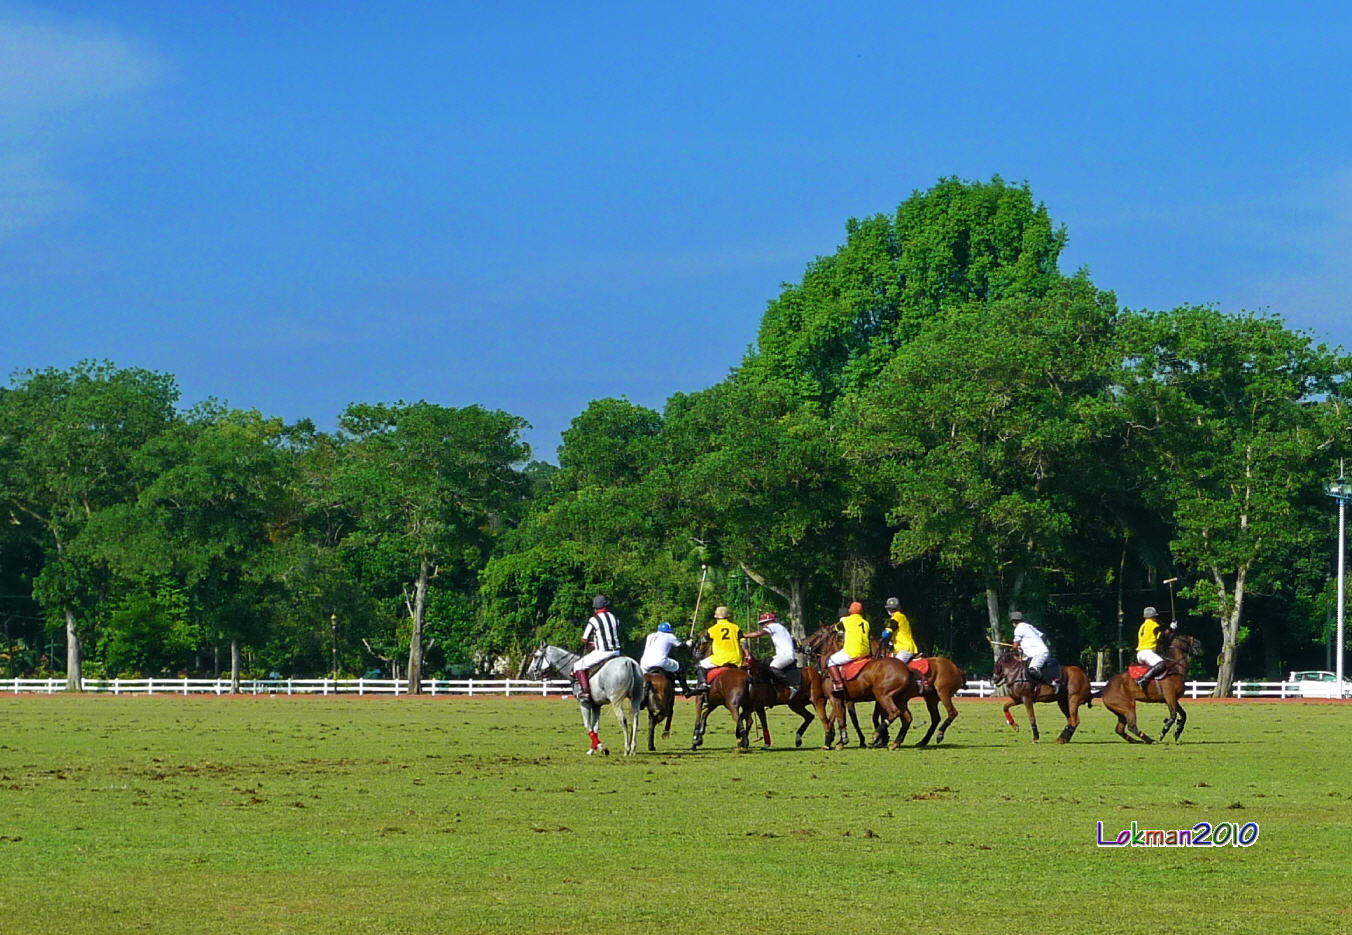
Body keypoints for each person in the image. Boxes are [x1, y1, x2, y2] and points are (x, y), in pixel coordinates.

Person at [573, 595, 622, 702]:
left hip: (603, 652)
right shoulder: (614, 618)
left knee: (577, 665)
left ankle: (585, 692)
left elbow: (584, 639)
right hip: (617, 651)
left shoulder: (594, 619)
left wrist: (588, 642)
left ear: (595, 607)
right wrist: (596, 643)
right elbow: (612, 636)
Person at [743, 611, 799, 688]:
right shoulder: (780, 627)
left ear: (769, 621)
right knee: (763, 664)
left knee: (773, 666)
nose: (763, 626)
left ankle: (791, 685)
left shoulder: (774, 626)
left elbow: (759, 633)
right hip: (781, 655)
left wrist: (744, 635)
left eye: (763, 623)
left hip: (787, 656)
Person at [693, 606, 743, 693]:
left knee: (700, 665)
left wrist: (693, 641)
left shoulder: (712, 630)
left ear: (716, 617)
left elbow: (703, 641)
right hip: (736, 658)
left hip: (720, 658)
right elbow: (744, 642)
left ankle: (703, 684)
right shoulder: (735, 627)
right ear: (727, 617)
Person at [827, 601, 870, 693]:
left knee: (830, 661)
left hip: (852, 651)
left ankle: (838, 684)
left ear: (850, 611)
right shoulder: (866, 623)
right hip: (865, 652)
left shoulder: (846, 621)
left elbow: (836, 628)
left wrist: (831, 629)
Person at [1011, 611, 1058, 692]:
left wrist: (1016, 647)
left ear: (1013, 622)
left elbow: (1015, 646)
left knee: (1033, 669)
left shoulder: (1018, 628)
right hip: (1037, 652)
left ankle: (1052, 683)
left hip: (1039, 653)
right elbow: (1042, 636)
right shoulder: (1029, 626)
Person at [639, 621, 690, 697]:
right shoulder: (670, 636)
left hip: (644, 663)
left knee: (641, 679)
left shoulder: (650, 636)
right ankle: (686, 690)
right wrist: (688, 643)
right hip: (660, 662)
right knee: (680, 667)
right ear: (669, 630)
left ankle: (637, 693)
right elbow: (681, 646)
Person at [1135, 606, 1174, 689]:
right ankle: (1143, 679)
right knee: (1161, 664)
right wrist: (1171, 628)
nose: (1156, 618)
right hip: (1147, 652)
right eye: (1155, 616)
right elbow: (1162, 637)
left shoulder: (1143, 625)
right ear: (1153, 616)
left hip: (1140, 653)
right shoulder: (1153, 625)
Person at [884, 597, 919, 663]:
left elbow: (890, 629)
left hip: (905, 649)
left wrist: (883, 635)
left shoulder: (897, 616)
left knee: (894, 666)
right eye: (890, 608)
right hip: (901, 649)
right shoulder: (901, 617)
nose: (892, 610)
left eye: (893, 609)